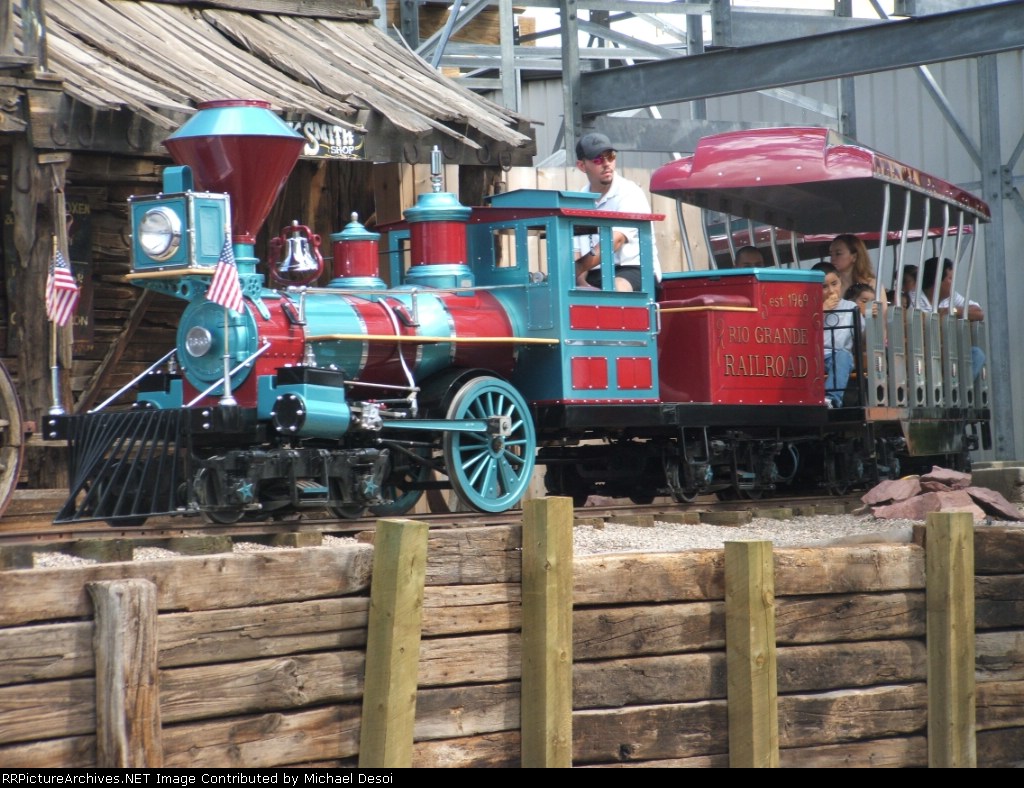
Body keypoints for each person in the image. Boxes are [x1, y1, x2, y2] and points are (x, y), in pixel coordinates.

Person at [573, 132, 662, 292]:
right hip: (595, 273)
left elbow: (616, 240)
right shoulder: (580, 200)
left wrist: (576, 269)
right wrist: (581, 284)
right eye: (598, 159)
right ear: (581, 166)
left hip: (635, 269)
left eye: (611, 156)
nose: (607, 164)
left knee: (615, 290)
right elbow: (577, 251)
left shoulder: (629, 192)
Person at [920, 256, 986, 380]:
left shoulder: (950, 297)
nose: (953, 283)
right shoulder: (917, 300)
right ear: (937, 281)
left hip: (946, 351)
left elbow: (979, 313)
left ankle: (958, 386)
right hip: (926, 354)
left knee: (977, 354)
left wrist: (953, 311)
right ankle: (957, 387)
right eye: (950, 278)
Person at [812, 262, 857, 408]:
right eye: (824, 287)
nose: (831, 291)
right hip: (813, 355)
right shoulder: (808, 308)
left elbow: (861, 334)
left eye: (834, 284)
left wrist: (871, 315)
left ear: (840, 282)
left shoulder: (850, 307)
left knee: (843, 356)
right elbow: (804, 332)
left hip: (837, 355)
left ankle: (830, 398)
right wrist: (821, 311)